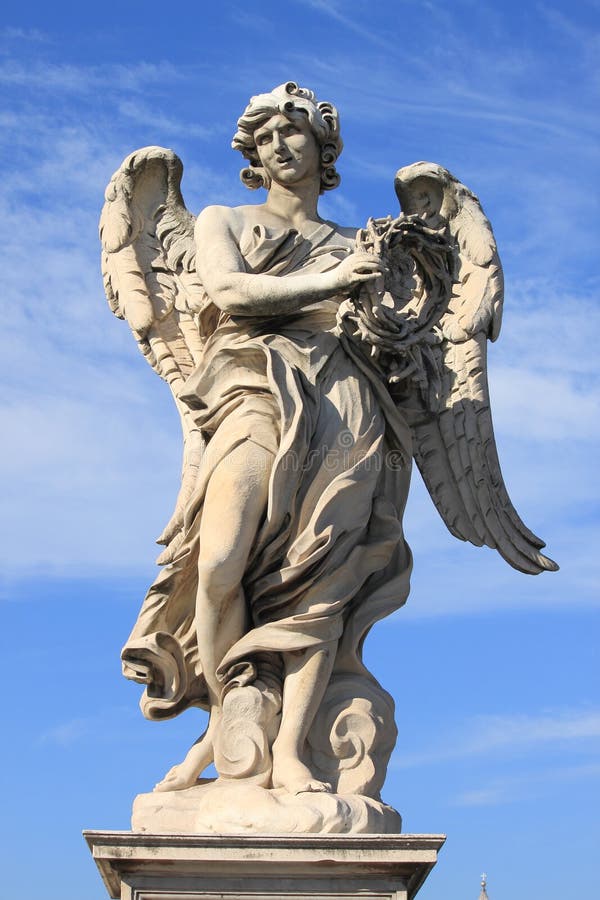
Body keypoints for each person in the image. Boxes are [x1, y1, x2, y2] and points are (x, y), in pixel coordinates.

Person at [123, 83, 413, 795]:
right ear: (252, 152)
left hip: (344, 400)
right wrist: (337, 279)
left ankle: (288, 751)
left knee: (323, 580)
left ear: (324, 148)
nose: (281, 146)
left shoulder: (358, 241)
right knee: (220, 560)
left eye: (296, 133)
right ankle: (231, 725)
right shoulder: (225, 219)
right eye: (267, 136)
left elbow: (390, 343)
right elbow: (227, 292)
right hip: (254, 384)